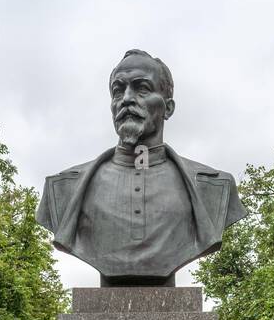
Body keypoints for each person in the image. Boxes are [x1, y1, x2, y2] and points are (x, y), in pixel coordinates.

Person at [37, 49, 246, 284]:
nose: (126, 98)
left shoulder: (214, 187)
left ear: (168, 108)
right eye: (118, 90)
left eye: (142, 88)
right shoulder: (64, 188)